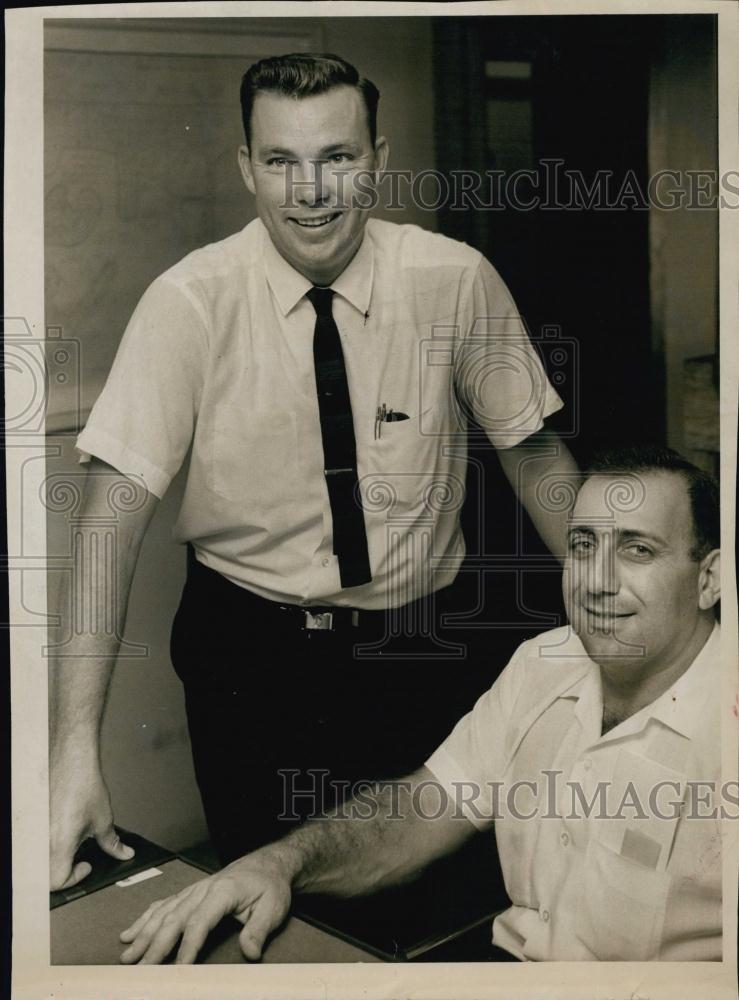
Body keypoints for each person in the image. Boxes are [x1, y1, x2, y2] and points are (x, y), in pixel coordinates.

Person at [49, 53, 578, 890]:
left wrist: (616, 615)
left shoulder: (453, 280)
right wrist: (72, 755)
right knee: (271, 905)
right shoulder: (188, 302)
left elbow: (533, 451)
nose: (311, 191)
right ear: (245, 168)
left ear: (377, 157)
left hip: (425, 647)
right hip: (252, 664)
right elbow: (107, 525)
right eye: (280, 161)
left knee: (443, 896)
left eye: (337, 157)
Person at [116, 447, 723, 964]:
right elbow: (421, 809)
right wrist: (277, 864)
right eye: (584, 544)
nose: (597, 580)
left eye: (639, 550)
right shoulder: (544, 662)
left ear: (710, 579)